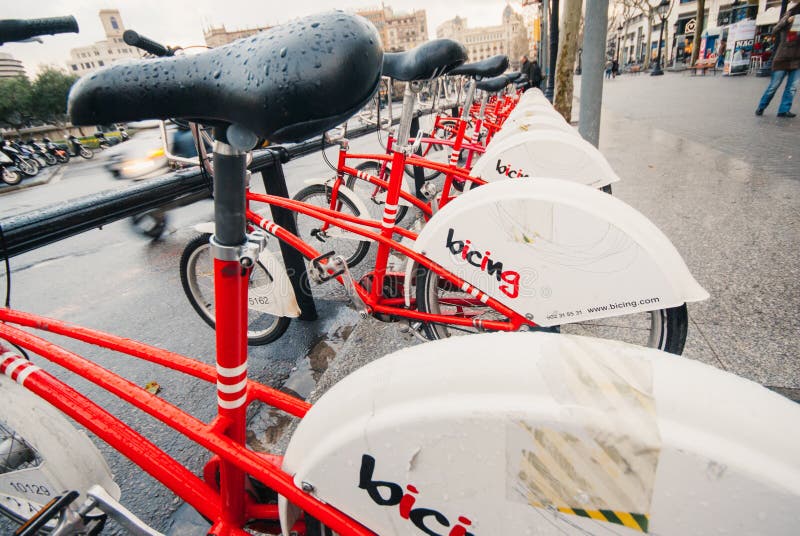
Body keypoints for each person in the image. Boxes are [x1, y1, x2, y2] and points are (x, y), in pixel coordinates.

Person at [756, 5, 800, 118]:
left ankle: (783, 110)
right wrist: (787, 21)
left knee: (792, 88)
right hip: (782, 57)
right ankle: (761, 106)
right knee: (773, 86)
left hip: (797, 59)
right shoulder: (789, 14)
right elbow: (775, 30)